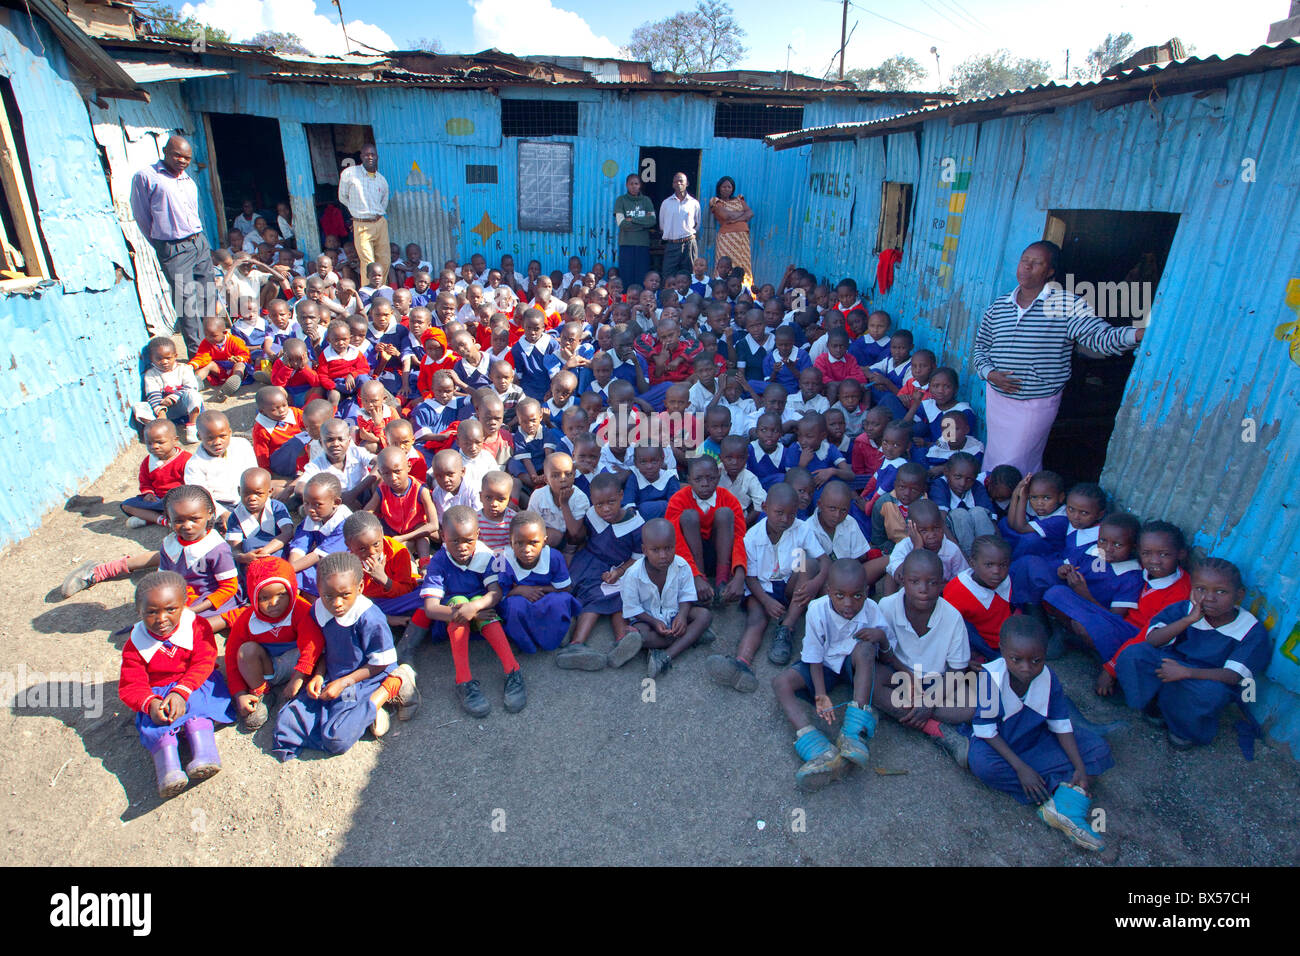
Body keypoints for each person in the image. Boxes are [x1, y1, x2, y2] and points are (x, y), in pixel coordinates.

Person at [973, 240, 1144, 473]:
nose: (1027, 267)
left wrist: (1136, 334)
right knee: (996, 454)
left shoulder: (1065, 305)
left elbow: (1099, 338)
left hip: (1035, 403)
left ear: (1050, 271)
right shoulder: (1000, 306)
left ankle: (1015, 503)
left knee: (1016, 460)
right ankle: (993, 497)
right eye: (1025, 260)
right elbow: (981, 347)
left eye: (1037, 263)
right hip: (998, 398)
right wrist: (990, 374)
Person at [967, 617, 1114, 851]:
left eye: (1036, 660)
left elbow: (1060, 724)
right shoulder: (990, 678)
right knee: (982, 765)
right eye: (1017, 660)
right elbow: (985, 730)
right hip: (1000, 746)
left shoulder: (1048, 677)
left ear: (1045, 654)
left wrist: (1080, 768)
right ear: (1003, 651)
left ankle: (1059, 801)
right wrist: (1022, 769)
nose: (1026, 668)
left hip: (1036, 740)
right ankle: (1065, 797)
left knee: (1097, 748)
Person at [1111, 558, 1270, 749]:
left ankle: (1185, 730)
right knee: (1135, 654)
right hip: (1173, 662)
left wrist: (1186, 672)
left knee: (1211, 693)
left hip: (1208, 677)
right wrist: (1188, 620)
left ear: (1239, 595)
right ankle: (1154, 706)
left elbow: (1233, 676)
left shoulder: (1250, 630)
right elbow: (1152, 640)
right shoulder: (1184, 609)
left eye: (1221, 591)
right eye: (1201, 589)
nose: (1209, 598)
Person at [272, 552, 412, 758]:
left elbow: (380, 663)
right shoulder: (319, 609)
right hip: (333, 673)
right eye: (328, 596)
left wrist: (344, 682)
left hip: (368, 676)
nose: (337, 603)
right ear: (318, 591)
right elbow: (323, 648)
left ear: (360, 588)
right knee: (286, 724)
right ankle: (362, 715)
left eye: (345, 595)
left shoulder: (370, 618)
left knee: (336, 739)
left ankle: (385, 692)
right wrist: (319, 675)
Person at [771, 560, 891, 791]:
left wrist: (880, 637)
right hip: (823, 665)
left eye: (857, 596)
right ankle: (818, 749)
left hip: (851, 664)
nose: (848, 603)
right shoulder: (817, 609)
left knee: (866, 648)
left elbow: (886, 655)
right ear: (828, 592)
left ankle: (853, 732)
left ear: (866, 592)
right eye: (840, 595)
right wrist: (821, 695)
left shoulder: (872, 610)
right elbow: (814, 656)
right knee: (780, 682)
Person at [119, 571, 235, 798]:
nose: (161, 618)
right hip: (157, 693)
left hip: (193, 683)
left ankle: (205, 754)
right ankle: (168, 769)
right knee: (157, 725)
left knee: (197, 710)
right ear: (139, 612)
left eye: (171, 609)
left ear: (184, 606)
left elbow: (205, 661)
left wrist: (182, 691)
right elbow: (131, 685)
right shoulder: (136, 644)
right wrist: (150, 703)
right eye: (151, 612)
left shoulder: (197, 627)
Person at [415, 506, 526, 717]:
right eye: (454, 540)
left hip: (484, 609)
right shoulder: (439, 561)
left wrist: (474, 608)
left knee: (476, 600)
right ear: (442, 536)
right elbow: (430, 608)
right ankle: (463, 681)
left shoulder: (485, 555)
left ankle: (513, 670)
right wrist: (468, 613)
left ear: (477, 534)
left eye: (468, 540)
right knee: (457, 602)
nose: (462, 546)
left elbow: (495, 594)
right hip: (453, 617)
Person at [129, 135, 215, 354]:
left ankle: (215, 349)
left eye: (187, 158)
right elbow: (142, 216)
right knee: (187, 304)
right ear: (165, 150)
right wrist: (163, 244)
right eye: (177, 155)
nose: (182, 161)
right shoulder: (147, 176)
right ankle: (199, 356)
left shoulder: (186, 178)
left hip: (199, 242)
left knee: (207, 296)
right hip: (173, 247)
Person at [223, 556, 324, 731]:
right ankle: (262, 693)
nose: (274, 603)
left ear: (292, 590)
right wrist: (239, 693)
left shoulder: (301, 609)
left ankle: (299, 689)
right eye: (264, 597)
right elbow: (231, 657)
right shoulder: (247, 620)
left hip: (297, 664)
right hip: (267, 667)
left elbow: (312, 644)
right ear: (254, 596)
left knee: (315, 647)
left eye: (281, 594)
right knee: (245, 651)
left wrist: (299, 677)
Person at [620, 518, 714, 678]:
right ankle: (691, 637)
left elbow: (686, 595)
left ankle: (665, 656)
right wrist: (654, 621)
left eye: (668, 548)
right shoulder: (633, 574)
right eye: (655, 550)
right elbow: (633, 608)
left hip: (676, 614)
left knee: (704, 615)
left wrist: (682, 616)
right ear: (644, 550)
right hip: (648, 620)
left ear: (675, 546)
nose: (663, 555)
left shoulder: (682, 565)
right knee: (639, 635)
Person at [496, 511, 582, 654]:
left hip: (545, 597)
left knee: (560, 602)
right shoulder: (501, 558)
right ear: (510, 541)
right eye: (519, 543)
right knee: (514, 606)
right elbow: (498, 594)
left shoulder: (554, 557)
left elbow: (565, 589)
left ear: (544, 541)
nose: (527, 550)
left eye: (533, 543)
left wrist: (537, 589)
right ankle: (525, 641)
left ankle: (558, 633)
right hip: (518, 599)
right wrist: (519, 590)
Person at [121, 419, 191, 529]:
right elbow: (145, 482)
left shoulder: (186, 459)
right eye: (149, 443)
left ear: (175, 440)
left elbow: (192, 484)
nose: (154, 446)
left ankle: (150, 519)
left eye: (160, 442)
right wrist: (149, 493)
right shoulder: (148, 462)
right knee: (126, 505)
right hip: (158, 500)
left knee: (187, 508)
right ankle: (162, 520)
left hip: (179, 500)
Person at [337, 144, 390, 282]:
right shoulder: (350, 174)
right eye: (366, 154)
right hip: (361, 224)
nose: (370, 157)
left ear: (377, 157)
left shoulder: (381, 180)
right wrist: (357, 211)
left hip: (380, 222)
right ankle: (368, 295)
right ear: (361, 157)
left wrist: (375, 215)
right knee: (368, 262)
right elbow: (343, 197)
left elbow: (383, 202)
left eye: (372, 154)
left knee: (384, 260)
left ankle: (381, 291)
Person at [135, 336, 203, 443]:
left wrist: (173, 398)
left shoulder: (184, 368)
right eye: (159, 359)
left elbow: (191, 386)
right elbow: (153, 394)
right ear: (151, 359)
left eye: (168, 358)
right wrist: (161, 412)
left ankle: (192, 428)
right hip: (166, 412)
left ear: (175, 356)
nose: (164, 362)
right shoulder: (151, 374)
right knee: (139, 408)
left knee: (193, 394)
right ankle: (161, 429)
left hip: (185, 408)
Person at [708, 176, 754, 286]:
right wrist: (742, 215)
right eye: (724, 187)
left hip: (742, 240)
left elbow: (750, 213)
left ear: (733, 189)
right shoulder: (716, 201)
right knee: (725, 266)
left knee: (743, 266)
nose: (726, 189)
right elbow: (727, 216)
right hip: (727, 240)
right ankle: (721, 289)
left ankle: (744, 289)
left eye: (729, 187)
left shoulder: (739, 200)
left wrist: (735, 218)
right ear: (719, 188)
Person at [659, 172, 701, 280]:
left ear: (687, 183)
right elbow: (662, 225)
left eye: (681, 181)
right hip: (672, 244)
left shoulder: (694, 203)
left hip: (689, 244)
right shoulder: (666, 203)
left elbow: (697, 225)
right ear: (672, 185)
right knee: (668, 276)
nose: (678, 183)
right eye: (675, 181)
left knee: (689, 276)